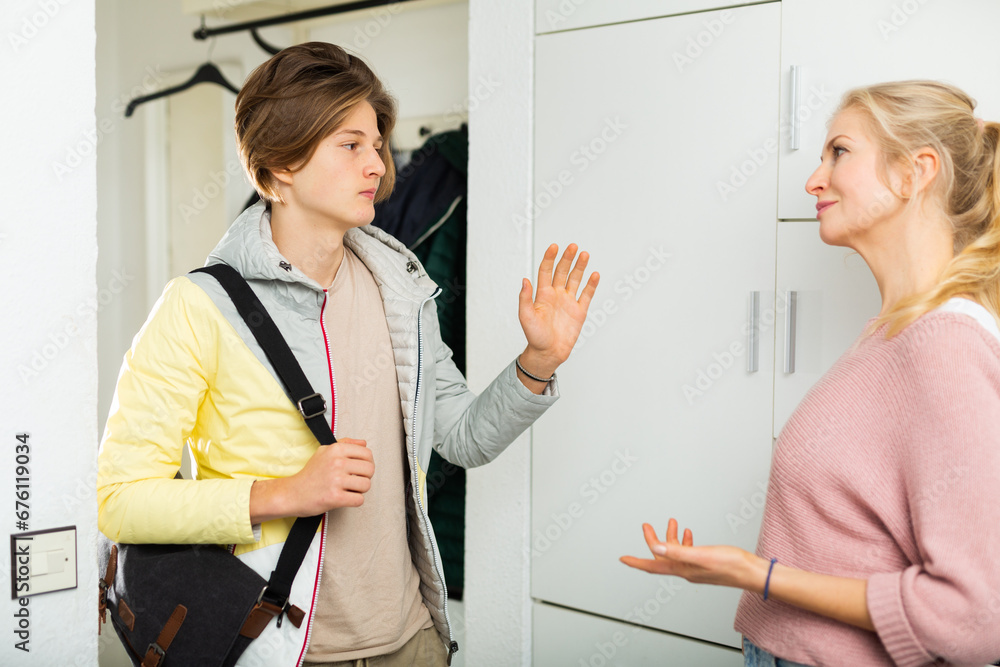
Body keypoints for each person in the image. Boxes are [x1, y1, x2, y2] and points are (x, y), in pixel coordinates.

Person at [97, 42, 600, 666]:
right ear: (278, 167)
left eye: (377, 141)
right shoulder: (198, 307)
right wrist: (280, 493)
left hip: (413, 641)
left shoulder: (401, 289)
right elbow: (121, 500)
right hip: (278, 647)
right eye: (350, 144)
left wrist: (538, 362)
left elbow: (463, 437)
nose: (378, 165)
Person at [621, 80, 1000, 666]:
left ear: (914, 172)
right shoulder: (893, 332)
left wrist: (758, 574)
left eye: (840, 152)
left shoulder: (945, 344)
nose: (813, 179)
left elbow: (974, 618)